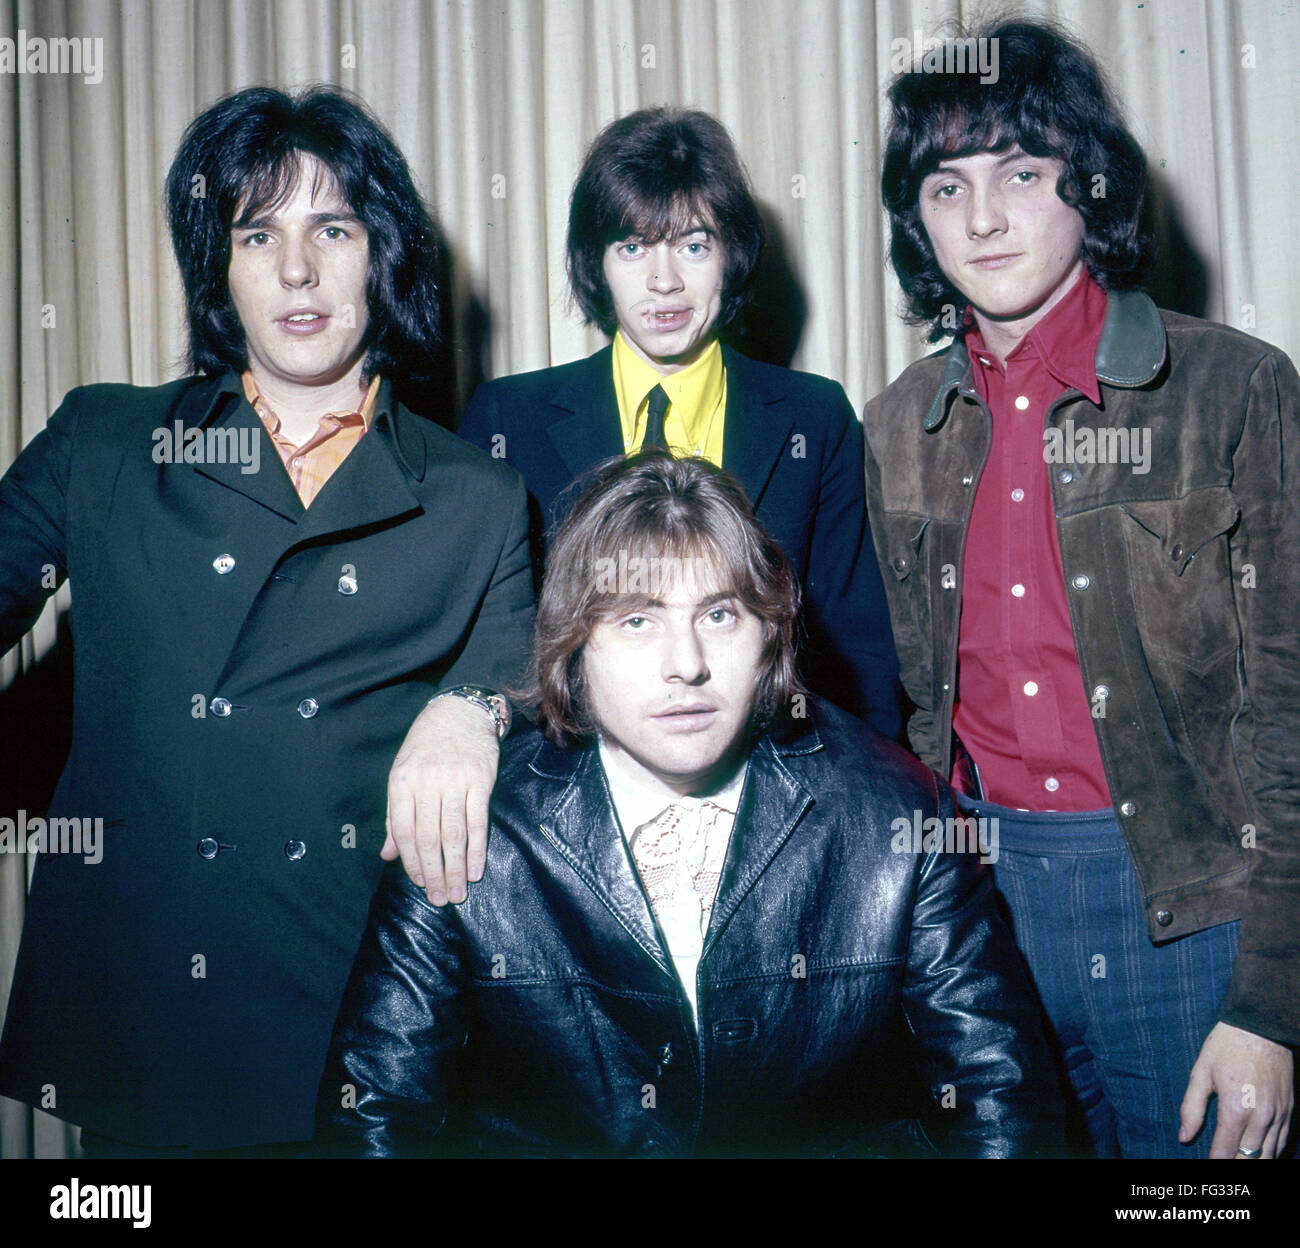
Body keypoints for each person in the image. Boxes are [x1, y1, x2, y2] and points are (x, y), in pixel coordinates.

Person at [0, 86, 534, 1155]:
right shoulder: (105, 441)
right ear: (221, 266)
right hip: (146, 1024)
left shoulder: (480, 498)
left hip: (354, 1033)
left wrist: (473, 709)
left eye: (332, 228)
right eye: (259, 233)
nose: (297, 271)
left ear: (383, 253)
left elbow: (529, 677)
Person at [315, 450, 1059, 1158]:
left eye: (720, 615)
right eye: (637, 620)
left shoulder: (899, 813)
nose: (686, 665)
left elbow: (1001, 1102)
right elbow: (377, 1114)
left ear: (771, 633)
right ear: (574, 646)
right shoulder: (473, 820)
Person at [865, 18, 1297, 1158]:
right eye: (945, 185)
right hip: (980, 902)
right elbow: (904, 719)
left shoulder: (1232, 390)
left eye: (1021, 171)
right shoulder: (894, 427)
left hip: (1190, 908)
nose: (984, 216)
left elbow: (1296, 724)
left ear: (1090, 182)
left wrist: (1270, 1004)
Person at [457, 108, 900, 736]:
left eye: (694, 246)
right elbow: (489, 654)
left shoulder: (815, 418)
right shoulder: (506, 419)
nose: (664, 282)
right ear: (597, 264)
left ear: (731, 257)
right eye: (632, 248)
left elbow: (860, 659)